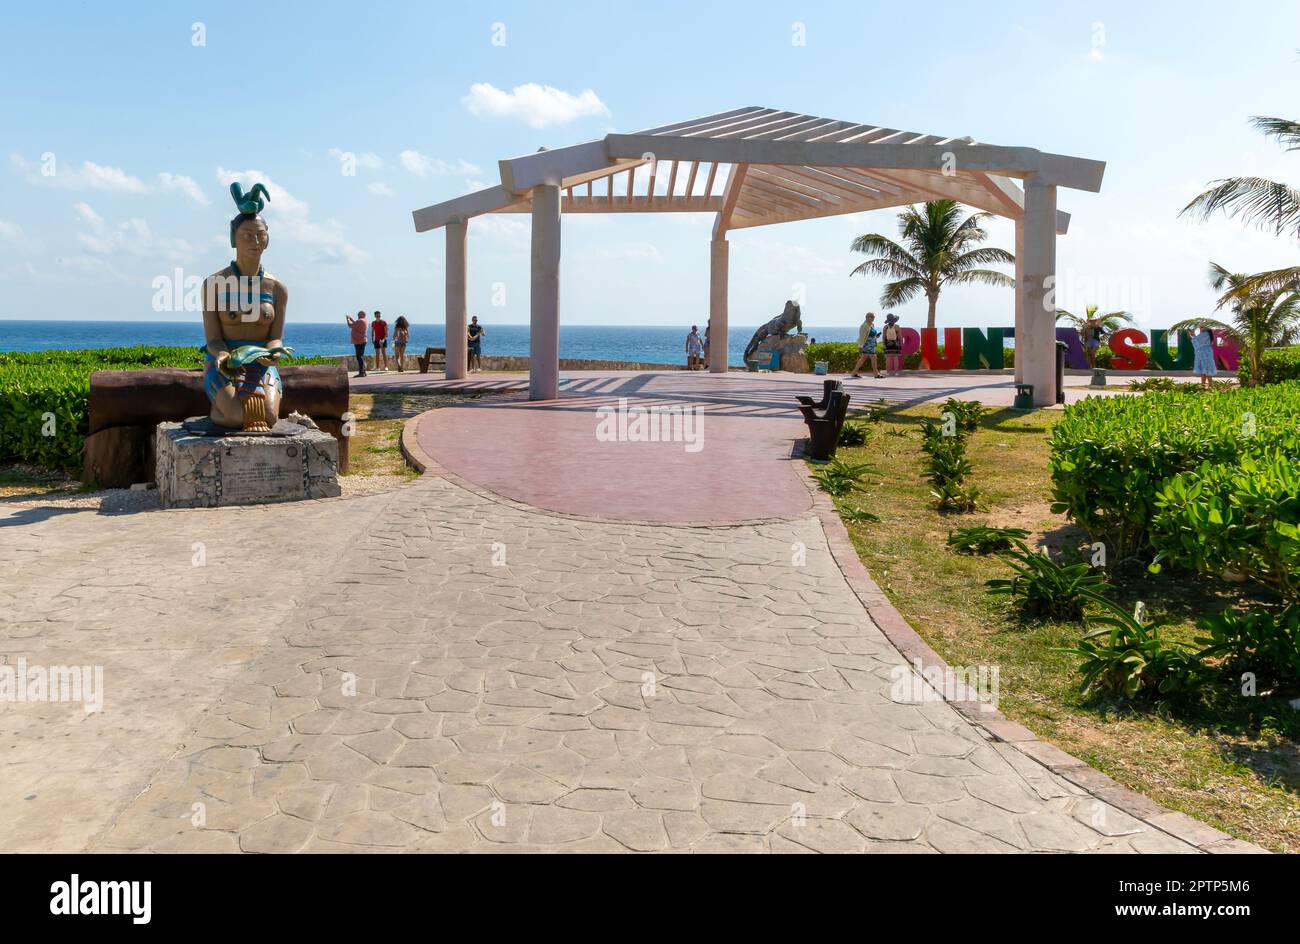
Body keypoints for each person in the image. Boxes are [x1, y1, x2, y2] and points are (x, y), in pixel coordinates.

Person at [202, 181, 288, 431]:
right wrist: (222, 355)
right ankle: (219, 411)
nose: (255, 241)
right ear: (233, 239)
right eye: (247, 235)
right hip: (225, 364)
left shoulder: (276, 288)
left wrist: (274, 352)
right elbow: (214, 339)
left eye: (260, 235)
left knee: (269, 417)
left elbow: (275, 339)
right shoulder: (214, 284)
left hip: (261, 365)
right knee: (237, 417)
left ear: (267, 239)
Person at [850, 311, 882, 379]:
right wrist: (860, 346)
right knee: (873, 357)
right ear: (867, 317)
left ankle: (854, 372)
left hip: (871, 344)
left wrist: (876, 336)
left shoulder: (871, 325)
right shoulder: (864, 326)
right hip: (867, 344)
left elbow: (870, 335)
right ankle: (876, 374)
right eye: (872, 317)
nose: (873, 318)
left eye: (873, 317)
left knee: (863, 358)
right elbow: (862, 336)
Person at [1191, 325, 1218, 389]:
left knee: (1206, 370)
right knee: (1204, 370)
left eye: (1202, 327)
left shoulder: (1205, 334)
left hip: (1205, 353)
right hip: (1205, 352)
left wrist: (1193, 335)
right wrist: (1194, 335)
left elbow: (1197, 341)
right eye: (1200, 327)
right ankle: (1205, 385)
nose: (1200, 328)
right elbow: (1198, 341)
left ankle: (1209, 386)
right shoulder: (1206, 334)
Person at [346, 310, 368, 377]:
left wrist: (348, 319)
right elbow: (356, 324)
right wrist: (352, 319)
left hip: (359, 341)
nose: (358, 316)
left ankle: (361, 373)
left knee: (359, 357)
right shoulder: (364, 321)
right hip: (362, 340)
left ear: (362, 315)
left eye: (359, 314)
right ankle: (363, 372)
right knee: (361, 357)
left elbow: (350, 325)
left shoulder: (360, 321)